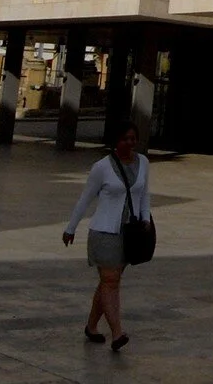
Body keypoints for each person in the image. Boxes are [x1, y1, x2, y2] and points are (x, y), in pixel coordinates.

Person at [64, 123, 152, 353]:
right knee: (111, 281)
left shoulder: (143, 162)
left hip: (129, 234)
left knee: (108, 282)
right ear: (116, 141)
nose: (130, 143)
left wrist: (146, 219)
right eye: (125, 139)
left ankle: (91, 326)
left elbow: (144, 194)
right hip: (104, 233)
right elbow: (85, 199)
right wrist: (71, 228)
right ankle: (117, 333)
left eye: (133, 138)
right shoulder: (101, 167)